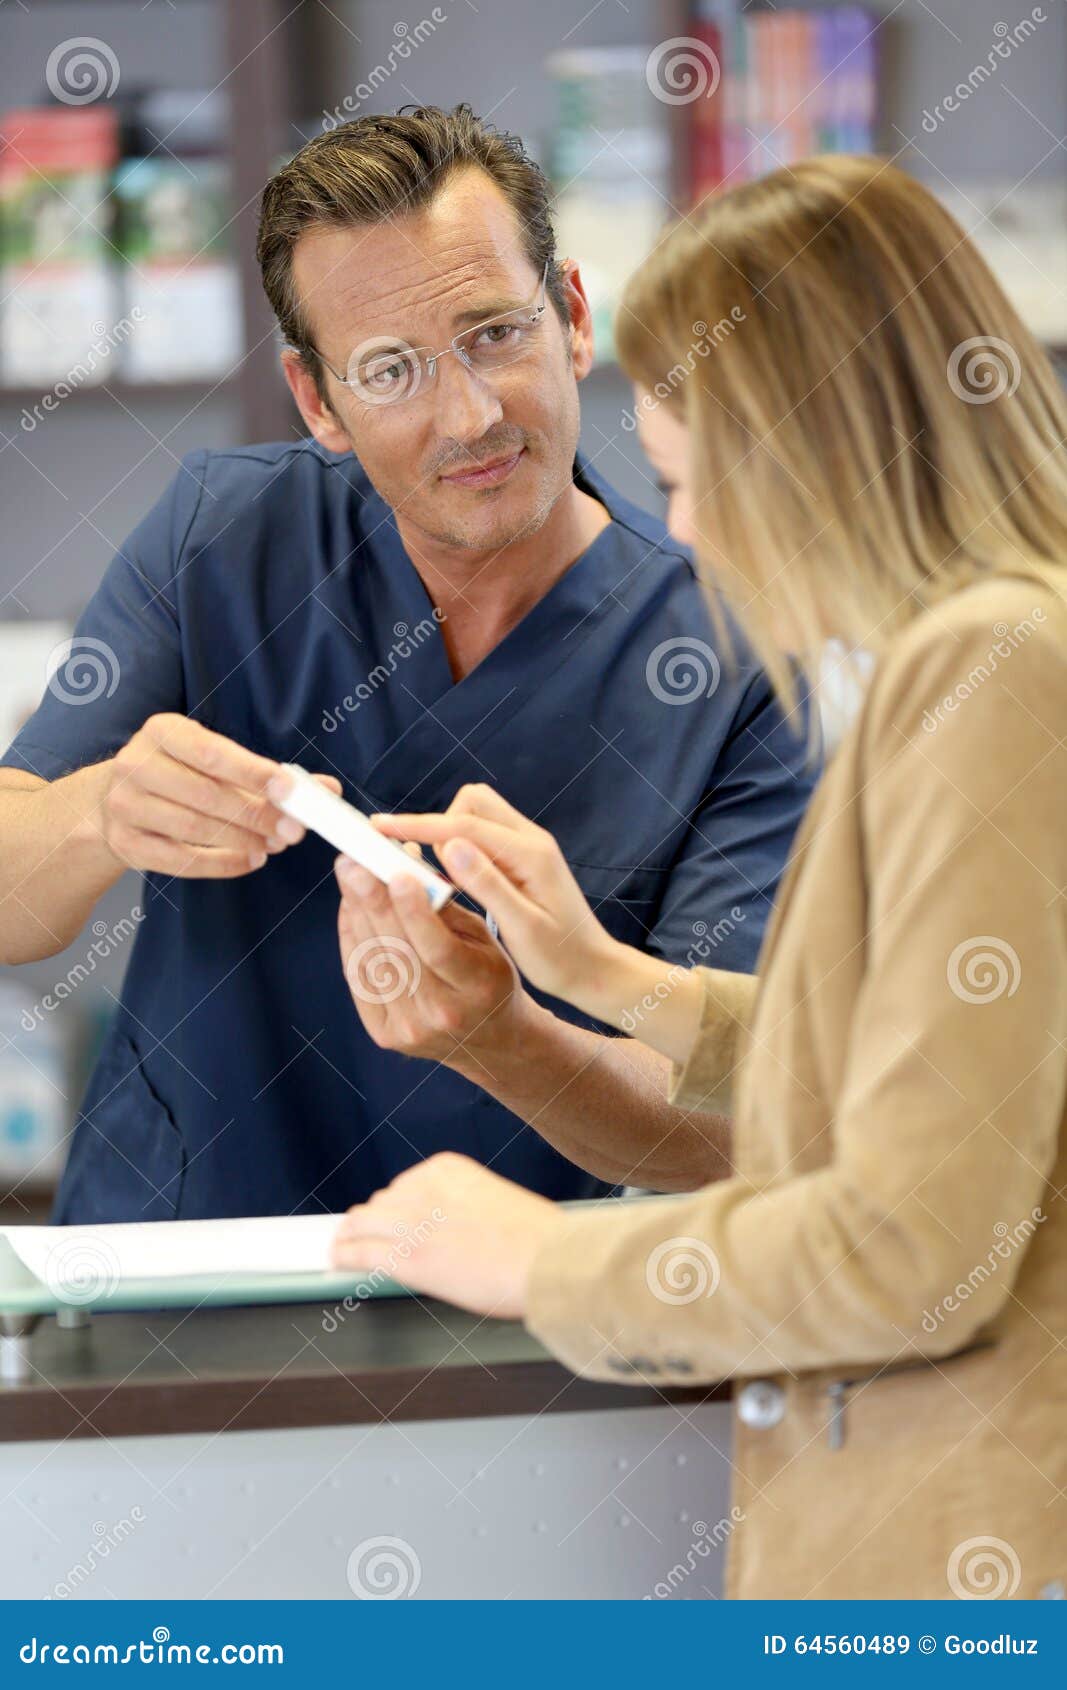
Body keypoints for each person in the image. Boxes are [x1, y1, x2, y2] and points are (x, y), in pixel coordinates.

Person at [329, 157, 1067, 1600]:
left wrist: (537, 1259)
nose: (691, 537)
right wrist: (608, 980)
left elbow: (914, 1239)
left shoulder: (991, 675)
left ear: (810, 447)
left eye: (687, 478)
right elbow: (929, 1060)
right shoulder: (991, 651)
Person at [0, 107, 813, 1224]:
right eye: (389, 370)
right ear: (315, 401)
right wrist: (100, 812)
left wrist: (505, 1043)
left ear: (573, 318)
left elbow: (733, 1130)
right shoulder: (223, 536)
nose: (468, 415)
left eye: (494, 333)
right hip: (179, 1268)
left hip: (539, 1301)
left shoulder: (738, 661)